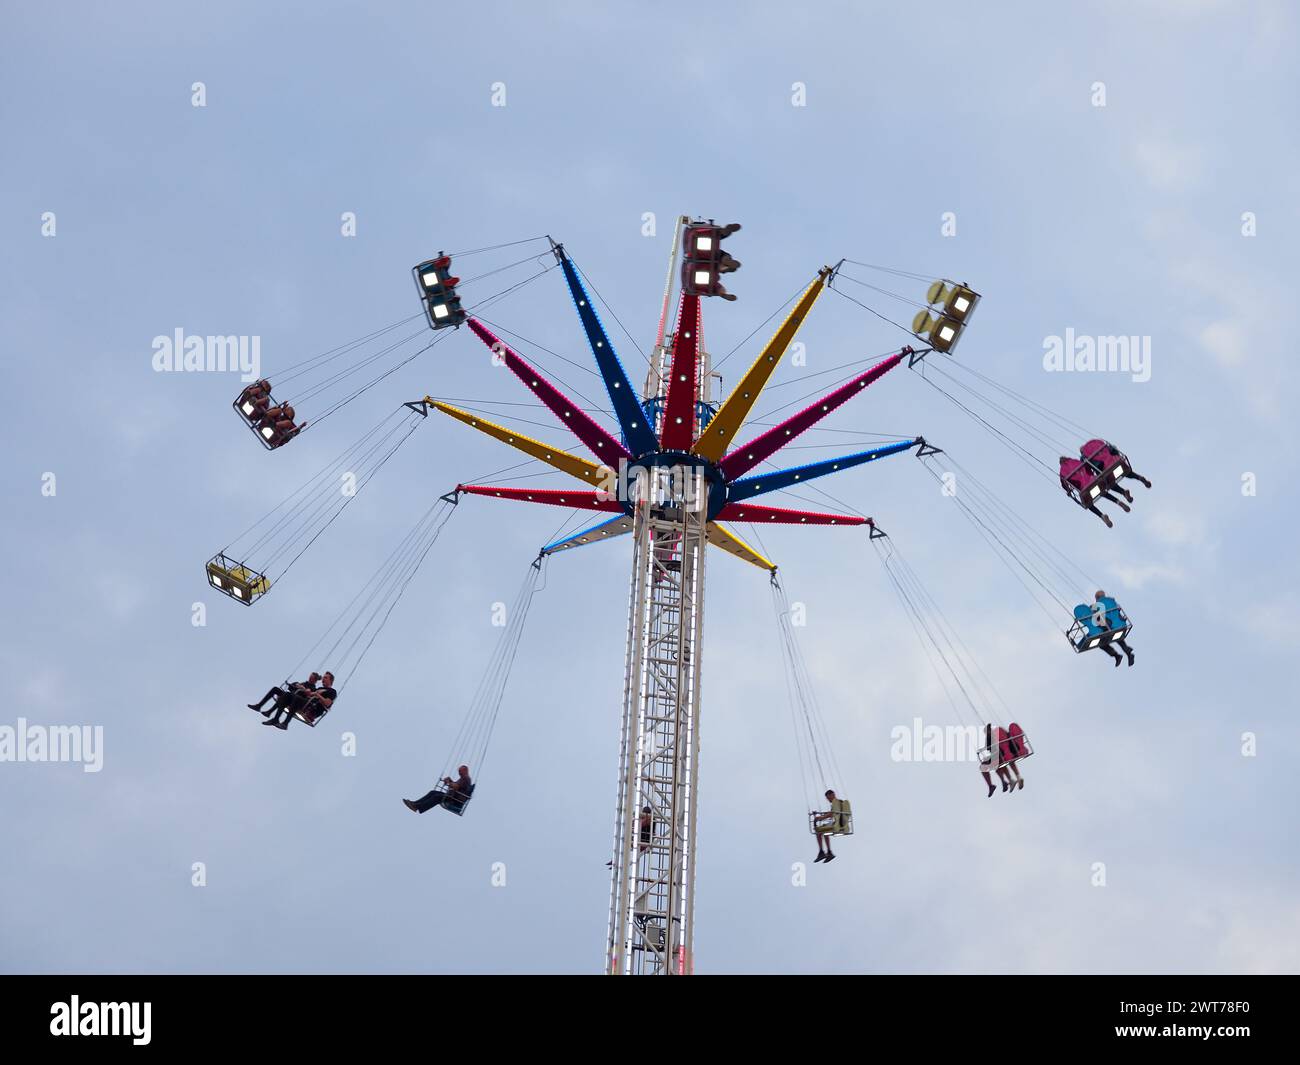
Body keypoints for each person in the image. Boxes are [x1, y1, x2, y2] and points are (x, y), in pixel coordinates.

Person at [1059, 456, 1130, 527]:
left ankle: (1102, 516)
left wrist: (1068, 491)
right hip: (1091, 480)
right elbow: (1087, 466)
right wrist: (1091, 475)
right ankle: (1119, 502)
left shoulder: (1062, 471)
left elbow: (1064, 484)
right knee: (1103, 492)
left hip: (1084, 488)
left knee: (1089, 504)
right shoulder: (1074, 461)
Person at [265, 671, 337, 729]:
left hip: (313, 708)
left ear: (330, 680)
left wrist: (317, 694)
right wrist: (306, 691)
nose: (323, 679)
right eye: (323, 677)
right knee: (287, 695)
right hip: (306, 703)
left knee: (297, 699)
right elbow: (310, 694)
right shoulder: (319, 688)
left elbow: (327, 703)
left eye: (326, 678)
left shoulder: (332, 692)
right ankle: (275, 719)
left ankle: (285, 724)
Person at [1080, 439, 1152, 491]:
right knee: (1126, 472)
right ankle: (1140, 478)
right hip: (1114, 460)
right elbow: (1113, 448)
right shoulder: (1099, 443)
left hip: (1104, 470)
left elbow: (1087, 471)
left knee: (1110, 484)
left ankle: (1123, 492)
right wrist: (1117, 456)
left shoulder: (1085, 456)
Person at [404, 764, 472, 813]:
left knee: (437, 797)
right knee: (433, 792)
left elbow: (456, 787)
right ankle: (414, 803)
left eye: (460, 771)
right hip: (452, 796)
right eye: (459, 771)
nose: (459, 773)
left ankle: (417, 807)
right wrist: (450, 780)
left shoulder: (466, 779)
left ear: (465, 770)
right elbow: (457, 785)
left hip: (455, 800)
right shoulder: (462, 779)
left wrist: (449, 782)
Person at [1092, 590, 1135, 667]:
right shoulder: (1112, 600)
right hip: (1120, 624)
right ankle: (1128, 652)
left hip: (1109, 626)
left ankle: (1116, 655)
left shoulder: (1097, 604)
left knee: (1101, 643)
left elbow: (1094, 620)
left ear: (1097, 598)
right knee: (1118, 637)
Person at [248, 672, 318, 717]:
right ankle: (259, 706)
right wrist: (296, 685)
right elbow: (292, 685)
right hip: (290, 695)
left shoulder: (313, 688)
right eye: (310, 677)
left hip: (294, 701)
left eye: (311, 678)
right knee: (275, 689)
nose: (309, 679)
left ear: (315, 681)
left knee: (285, 696)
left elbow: (307, 694)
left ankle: (269, 712)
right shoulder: (303, 683)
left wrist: (303, 688)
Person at [812, 789, 849, 863]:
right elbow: (833, 813)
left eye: (828, 798)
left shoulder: (835, 802)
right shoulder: (840, 803)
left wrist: (820, 818)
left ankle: (822, 852)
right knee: (825, 832)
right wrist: (820, 814)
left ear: (832, 795)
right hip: (843, 825)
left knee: (818, 831)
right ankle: (829, 852)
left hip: (837, 825)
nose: (828, 800)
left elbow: (832, 814)